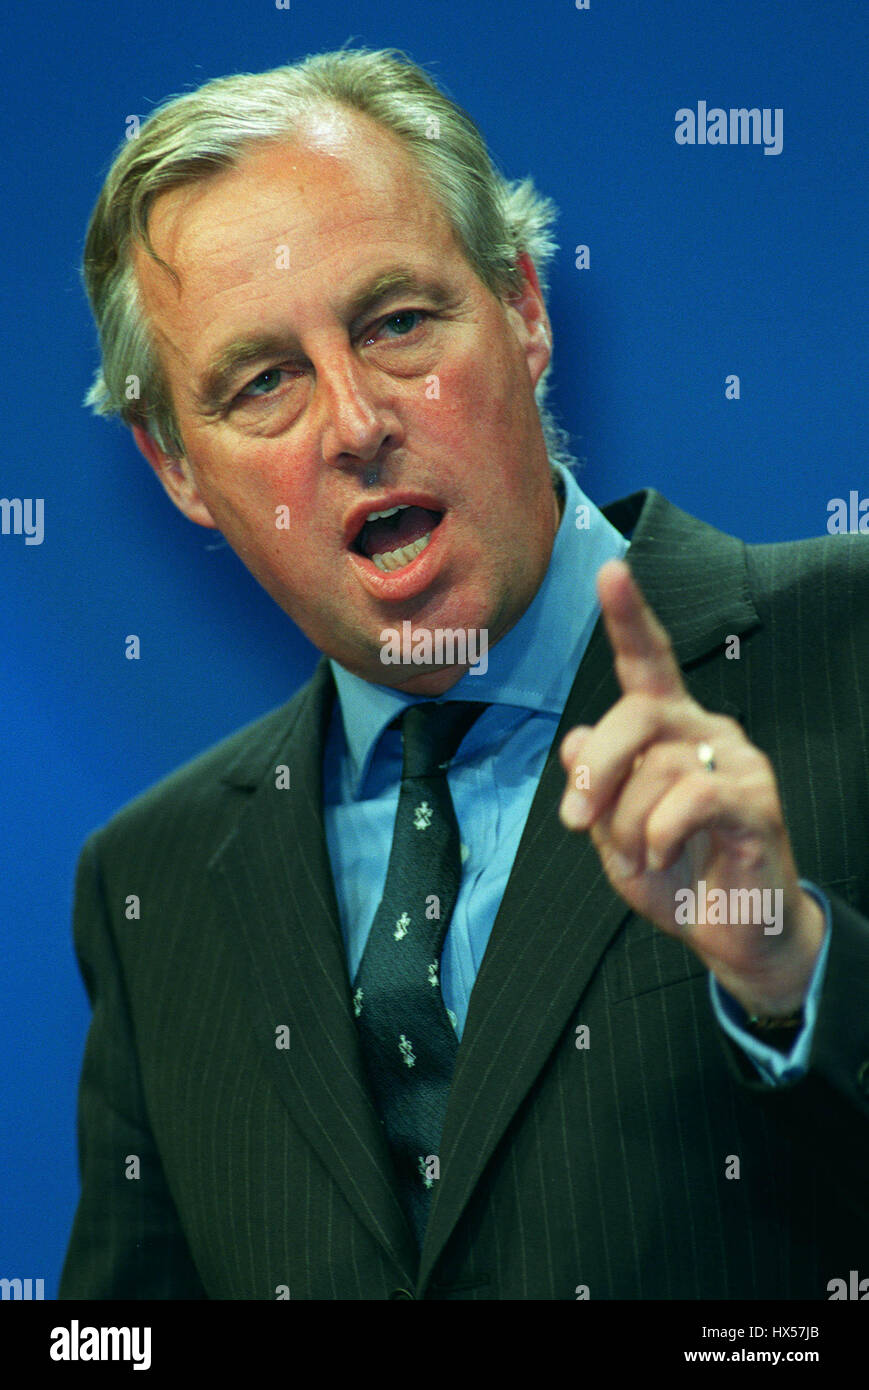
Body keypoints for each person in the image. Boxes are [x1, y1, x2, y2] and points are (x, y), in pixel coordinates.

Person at [60, 47, 869, 1301]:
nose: (354, 421)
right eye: (261, 381)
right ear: (176, 468)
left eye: (395, 323)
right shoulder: (150, 881)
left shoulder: (851, 645)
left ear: (524, 311)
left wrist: (790, 963)